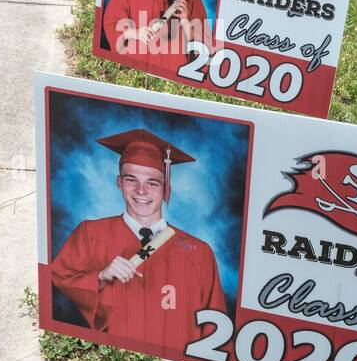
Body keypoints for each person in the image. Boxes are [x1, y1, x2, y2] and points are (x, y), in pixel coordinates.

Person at [51, 128, 226, 345]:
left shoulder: (199, 251)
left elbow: (214, 322)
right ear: (119, 183)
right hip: (115, 360)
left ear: (166, 189)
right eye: (131, 180)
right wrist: (100, 277)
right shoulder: (91, 234)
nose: (141, 190)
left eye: (152, 182)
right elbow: (58, 278)